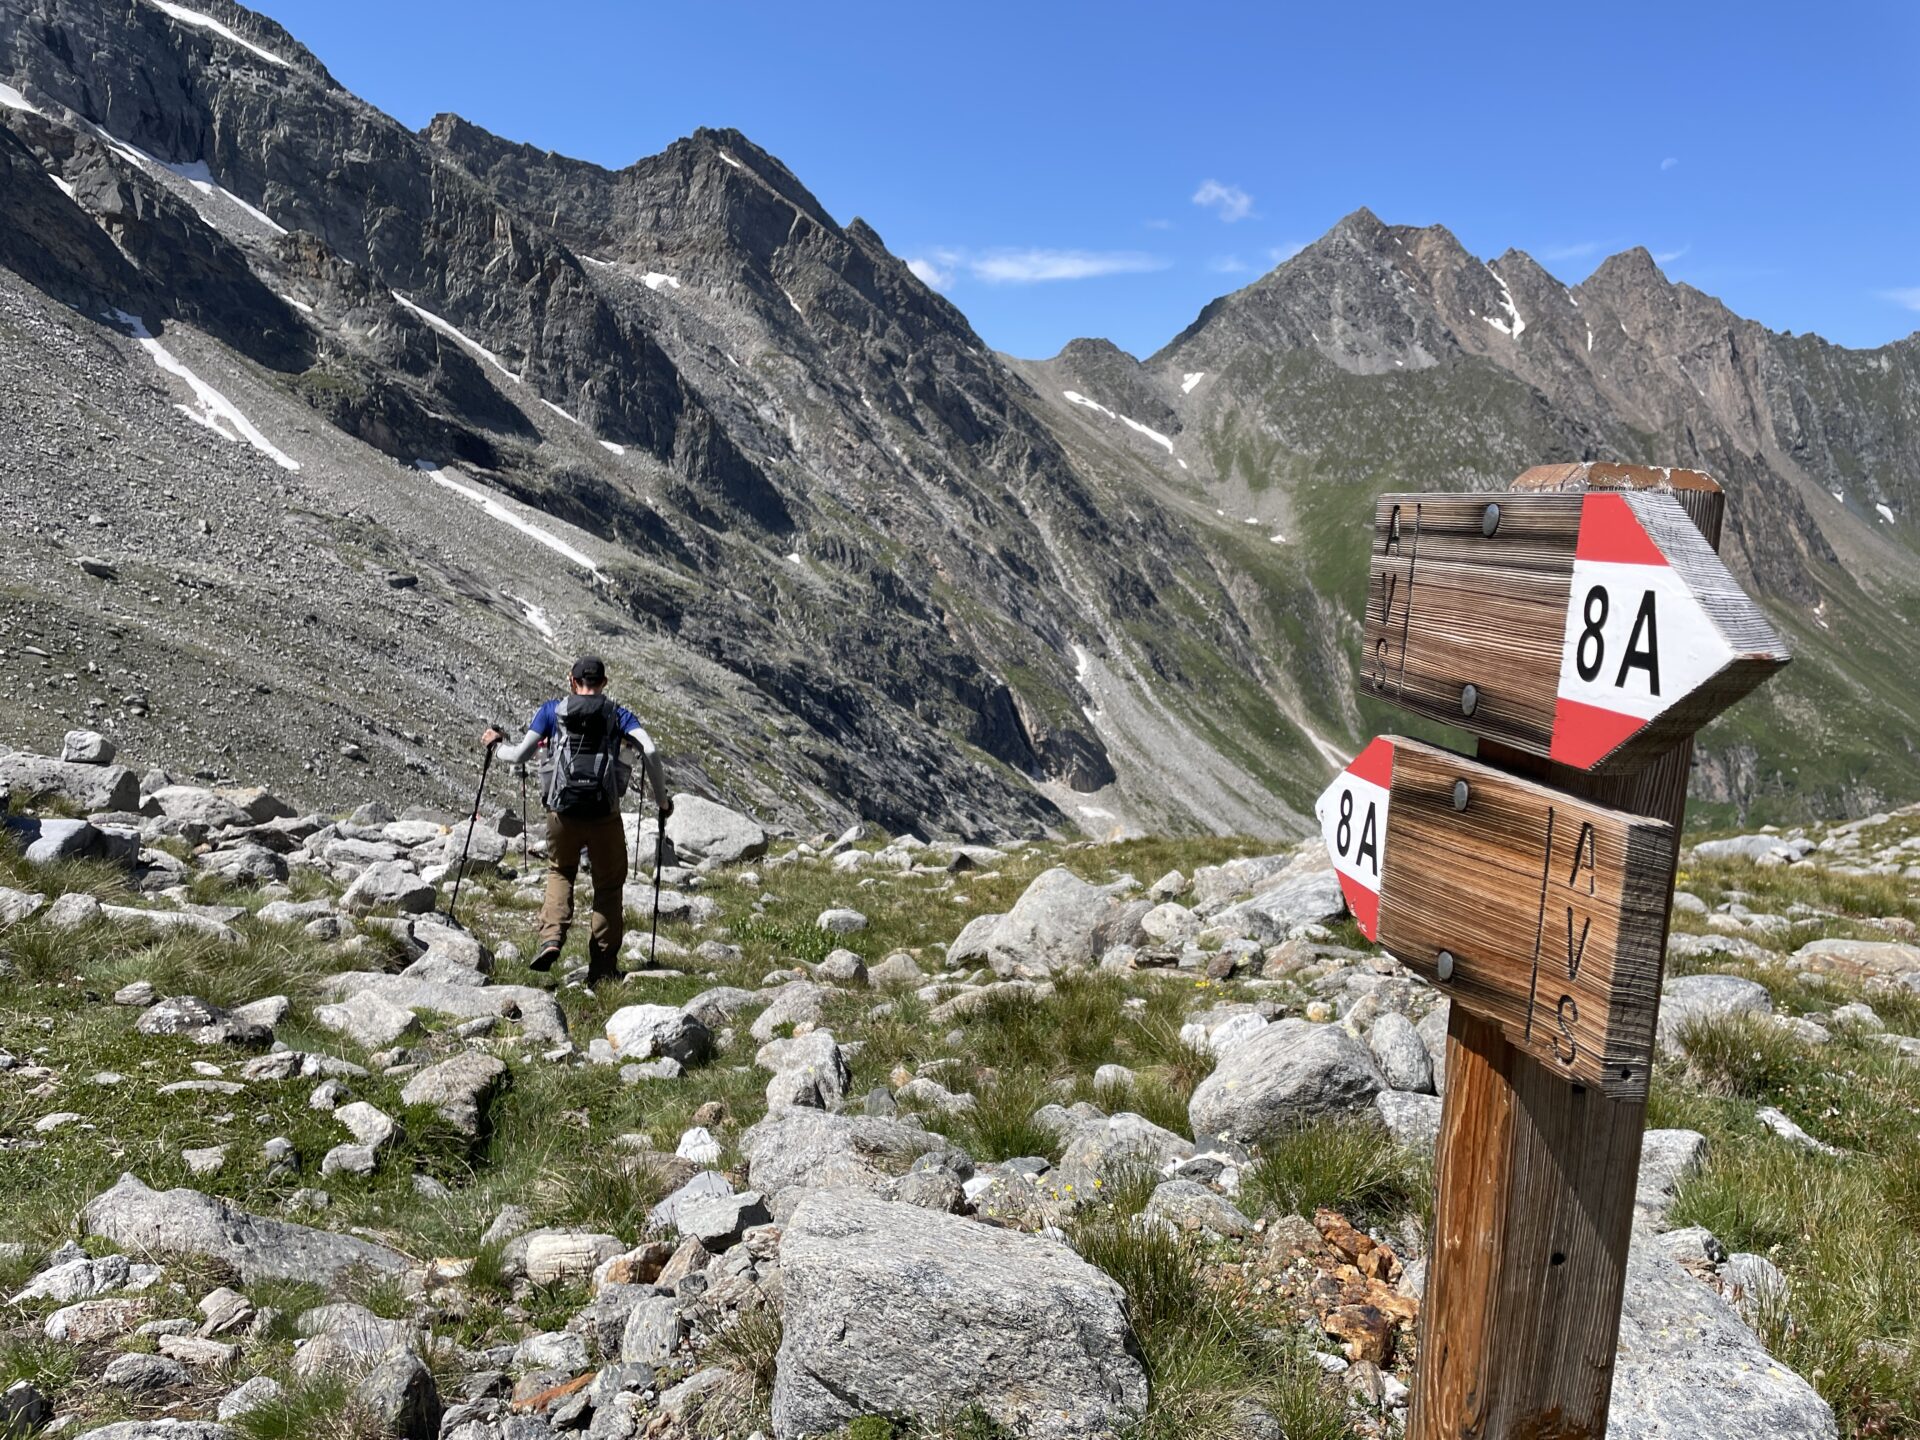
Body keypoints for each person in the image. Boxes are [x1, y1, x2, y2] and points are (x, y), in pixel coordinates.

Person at [481, 656, 671, 986]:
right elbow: (650, 752)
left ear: (572, 681)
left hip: (562, 813)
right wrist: (661, 800)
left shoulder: (551, 712)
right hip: (604, 815)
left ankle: (552, 939)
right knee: (608, 887)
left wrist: (496, 746)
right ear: (604, 683)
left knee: (560, 870)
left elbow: (519, 756)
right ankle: (602, 969)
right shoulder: (618, 715)